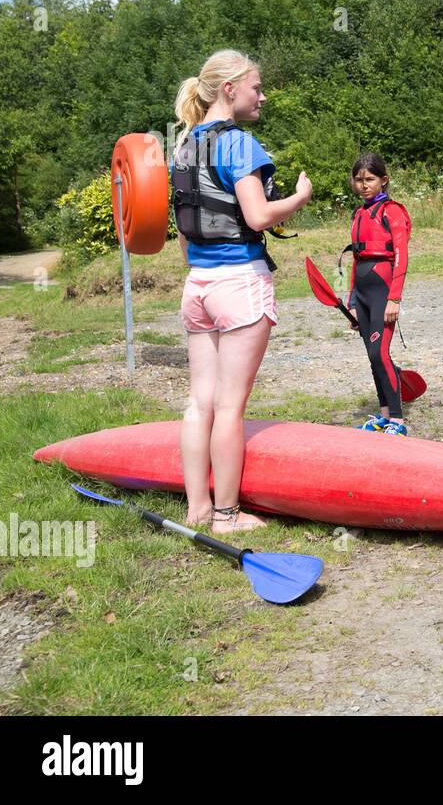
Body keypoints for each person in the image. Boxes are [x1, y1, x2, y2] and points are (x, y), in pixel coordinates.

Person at [172, 49, 311, 533]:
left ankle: (198, 508)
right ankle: (227, 515)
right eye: (256, 87)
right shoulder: (240, 144)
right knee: (229, 408)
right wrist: (298, 197)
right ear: (229, 89)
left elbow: (187, 234)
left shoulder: (183, 146)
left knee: (199, 404)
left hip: (198, 286)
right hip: (239, 283)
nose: (263, 95)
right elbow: (256, 217)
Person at [344, 153, 412, 436]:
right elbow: (356, 260)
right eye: (358, 180)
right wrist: (351, 302)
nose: (363, 185)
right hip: (362, 292)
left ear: (383, 180)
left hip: (384, 289)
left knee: (380, 352)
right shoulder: (359, 213)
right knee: (372, 356)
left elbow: (401, 256)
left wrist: (394, 298)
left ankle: (398, 420)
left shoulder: (392, 211)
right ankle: (384, 415)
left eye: (370, 179)